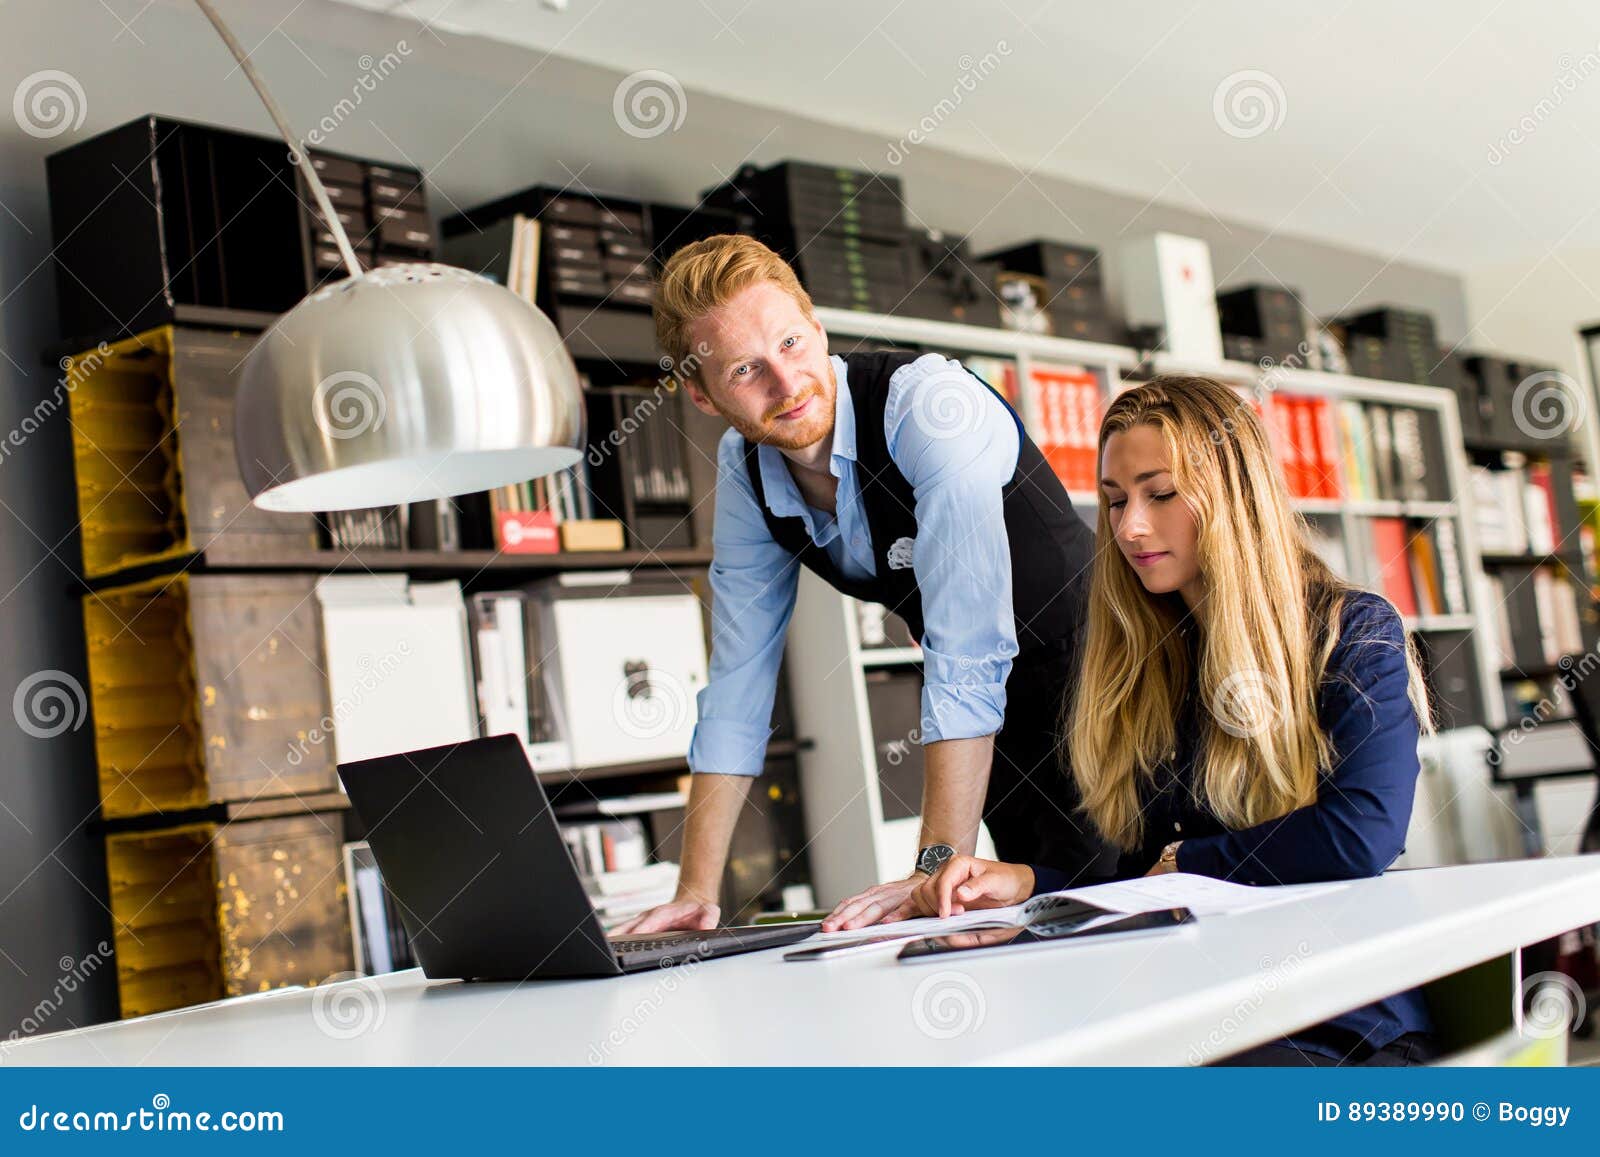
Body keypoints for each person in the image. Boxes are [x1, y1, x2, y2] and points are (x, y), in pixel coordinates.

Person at [903, 374, 1440, 1066]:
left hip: (1339, 1020)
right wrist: (1032, 885)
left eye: (1160, 495)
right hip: (1198, 1003)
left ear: (1230, 497)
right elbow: (1141, 881)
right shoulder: (1146, 661)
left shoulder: (1352, 632)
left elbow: (1360, 832)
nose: (1130, 526)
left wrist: (1189, 862)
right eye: (1116, 500)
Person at [613, 234, 1114, 936]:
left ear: (817, 328)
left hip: (1113, 688)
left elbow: (966, 650)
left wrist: (932, 862)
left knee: (1132, 895)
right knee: (1044, 923)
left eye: (790, 343)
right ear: (701, 394)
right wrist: (696, 889)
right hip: (993, 734)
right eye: (746, 369)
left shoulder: (928, 406)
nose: (786, 384)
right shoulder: (749, 471)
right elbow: (736, 685)